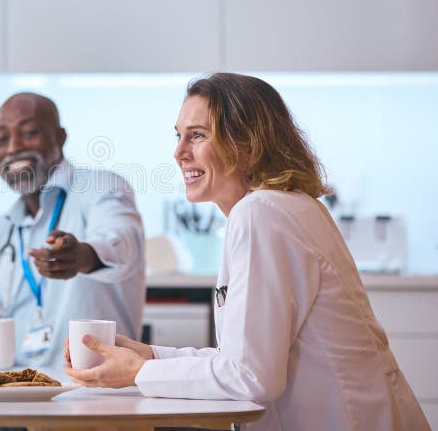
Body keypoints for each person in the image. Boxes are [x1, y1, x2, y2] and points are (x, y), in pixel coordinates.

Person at [64, 73, 429, 430]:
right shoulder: (288, 206)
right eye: (178, 136)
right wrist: (150, 356)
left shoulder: (260, 214)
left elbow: (251, 377)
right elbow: (243, 361)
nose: (178, 153)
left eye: (198, 136)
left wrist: (140, 373)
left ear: (249, 144)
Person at [0, 92, 145, 369]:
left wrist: (83, 255)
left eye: (29, 132)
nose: (12, 149)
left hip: (94, 393)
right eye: (1, 139)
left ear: (60, 138)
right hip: (17, 392)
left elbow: (123, 245)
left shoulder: (101, 188)